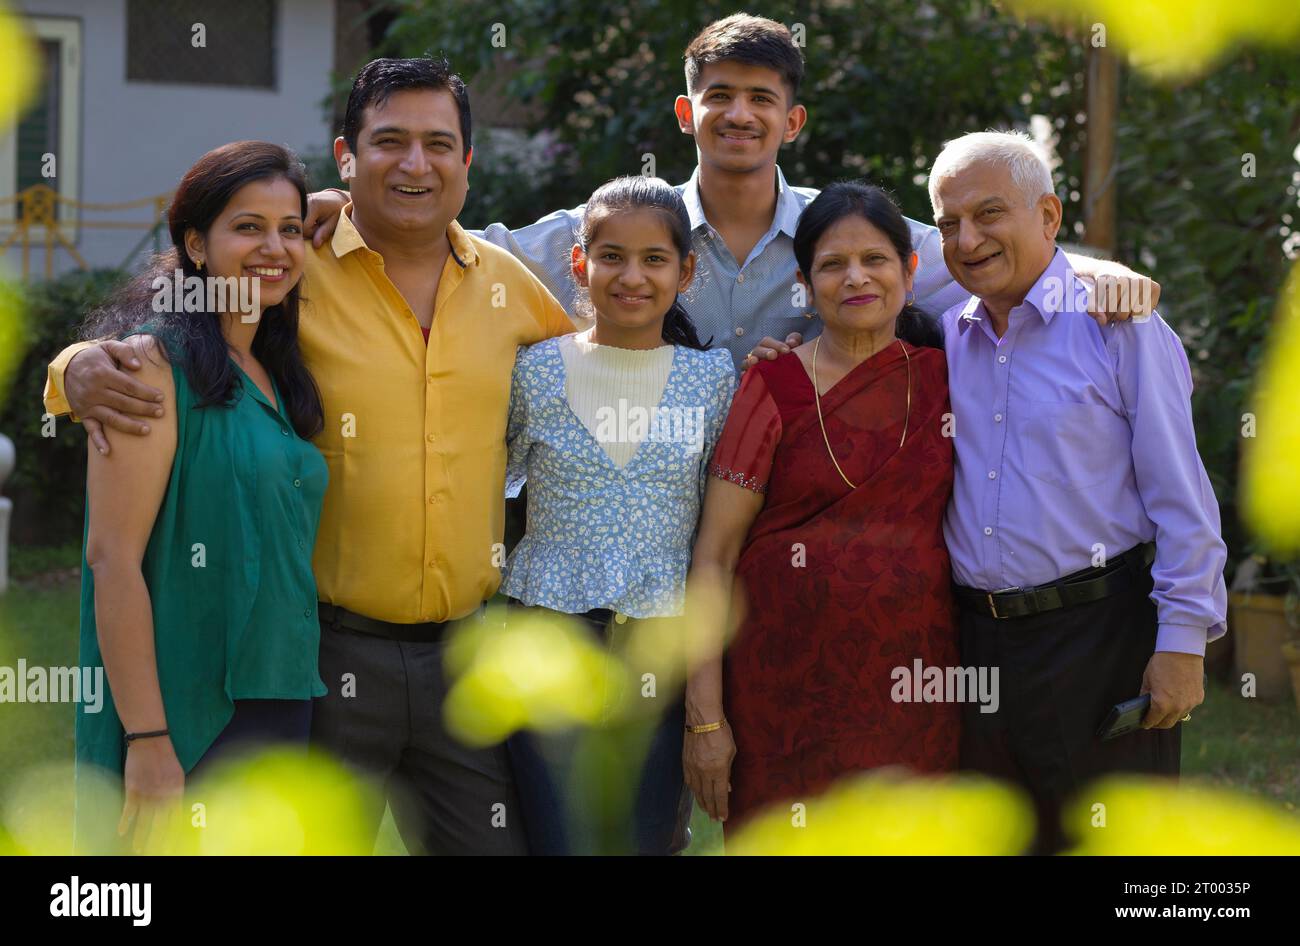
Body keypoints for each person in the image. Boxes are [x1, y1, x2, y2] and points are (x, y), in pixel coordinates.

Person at [45, 57, 576, 856]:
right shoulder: (295, 270)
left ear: (469, 161)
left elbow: (602, 372)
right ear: (347, 156)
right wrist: (73, 368)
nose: (415, 163)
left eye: (439, 144)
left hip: (467, 659)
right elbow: (176, 315)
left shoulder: (513, 289)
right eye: (388, 142)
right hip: (322, 660)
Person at [305, 14, 1157, 373]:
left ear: (793, 122)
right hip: (656, 544)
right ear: (688, 112)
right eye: (720, 95)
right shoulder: (622, 230)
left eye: (762, 98)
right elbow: (475, 248)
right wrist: (353, 210)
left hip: (796, 542)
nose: (739, 114)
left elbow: (986, 255)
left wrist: (1092, 272)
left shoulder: (850, 238)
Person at [929, 130, 1228, 854]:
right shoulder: (943, 337)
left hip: (1101, 636)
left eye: (989, 214)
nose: (968, 239)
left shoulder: (1121, 325)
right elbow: (853, 253)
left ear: (1050, 217)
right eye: (948, 224)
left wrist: (1184, 641)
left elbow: (1180, 495)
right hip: (976, 646)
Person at [682, 182, 959, 837]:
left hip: (916, 696)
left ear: (909, 271)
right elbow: (714, 559)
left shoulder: (951, 378)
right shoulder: (771, 385)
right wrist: (706, 721)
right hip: (781, 701)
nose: (856, 277)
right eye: (833, 265)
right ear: (805, 285)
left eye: (876, 260)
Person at [73, 141, 326, 854]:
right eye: (247, 227)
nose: (273, 247)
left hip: (283, 698)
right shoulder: (150, 366)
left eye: (289, 228)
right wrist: (148, 737)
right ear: (195, 243)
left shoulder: (278, 370)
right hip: (188, 710)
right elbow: (111, 560)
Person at [502, 175, 735, 854]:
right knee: (558, 837)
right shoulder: (534, 371)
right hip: (547, 632)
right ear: (580, 262)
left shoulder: (714, 380)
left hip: (660, 644)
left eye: (655, 259)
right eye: (611, 256)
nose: (632, 276)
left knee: (646, 838)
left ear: (685, 272)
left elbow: (722, 528)